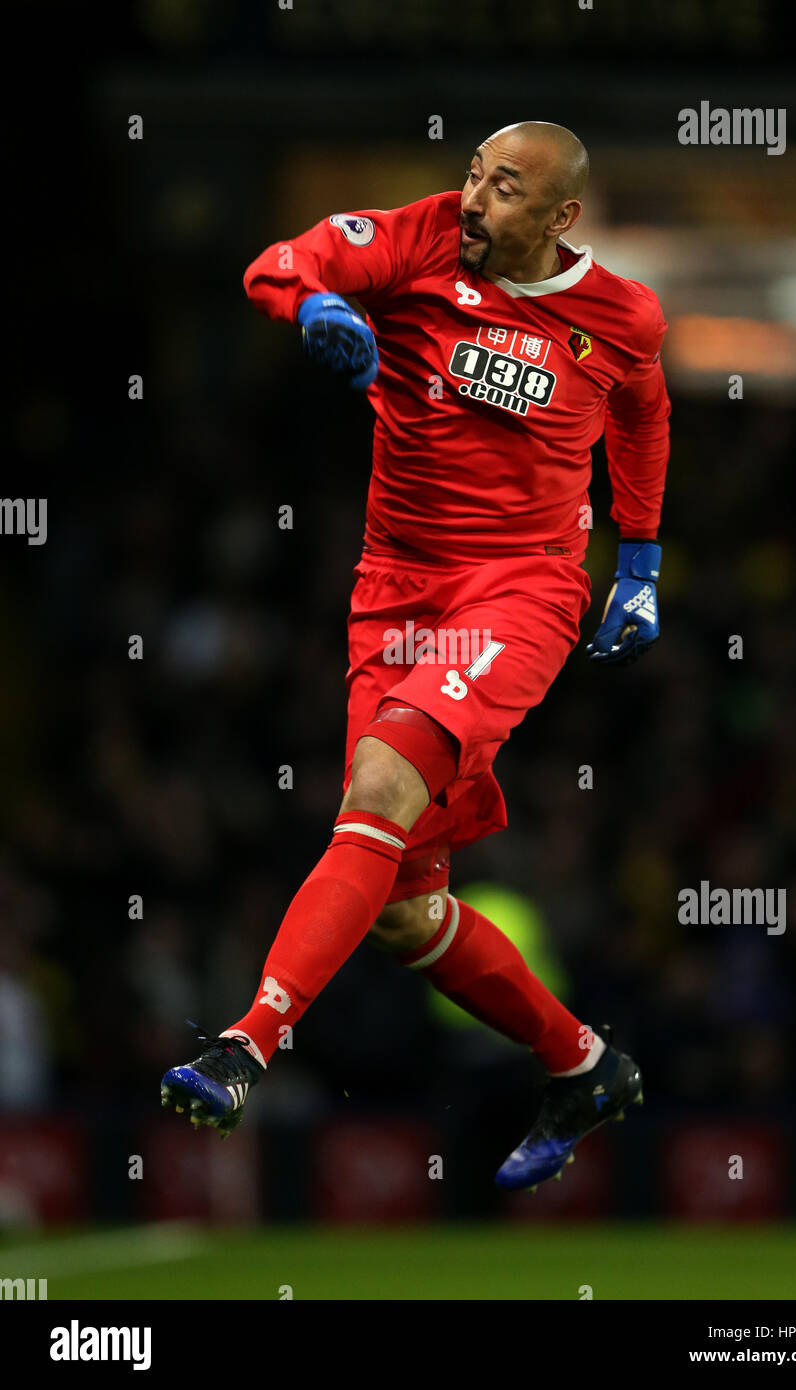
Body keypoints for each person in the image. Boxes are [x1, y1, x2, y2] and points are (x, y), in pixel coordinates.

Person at [161, 121, 670, 1191]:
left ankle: (245, 1041)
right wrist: (318, 304)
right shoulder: (423, 239)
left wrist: (638, 561)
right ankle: (582, 1065)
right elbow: (278, 262)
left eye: (505, 189)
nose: (475, 200)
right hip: (391, 590)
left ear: (560, 217)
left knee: (380, 783)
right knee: (404, 908)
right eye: (474, 175)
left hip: (523, 585)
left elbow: (641, 411)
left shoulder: (619, 314)